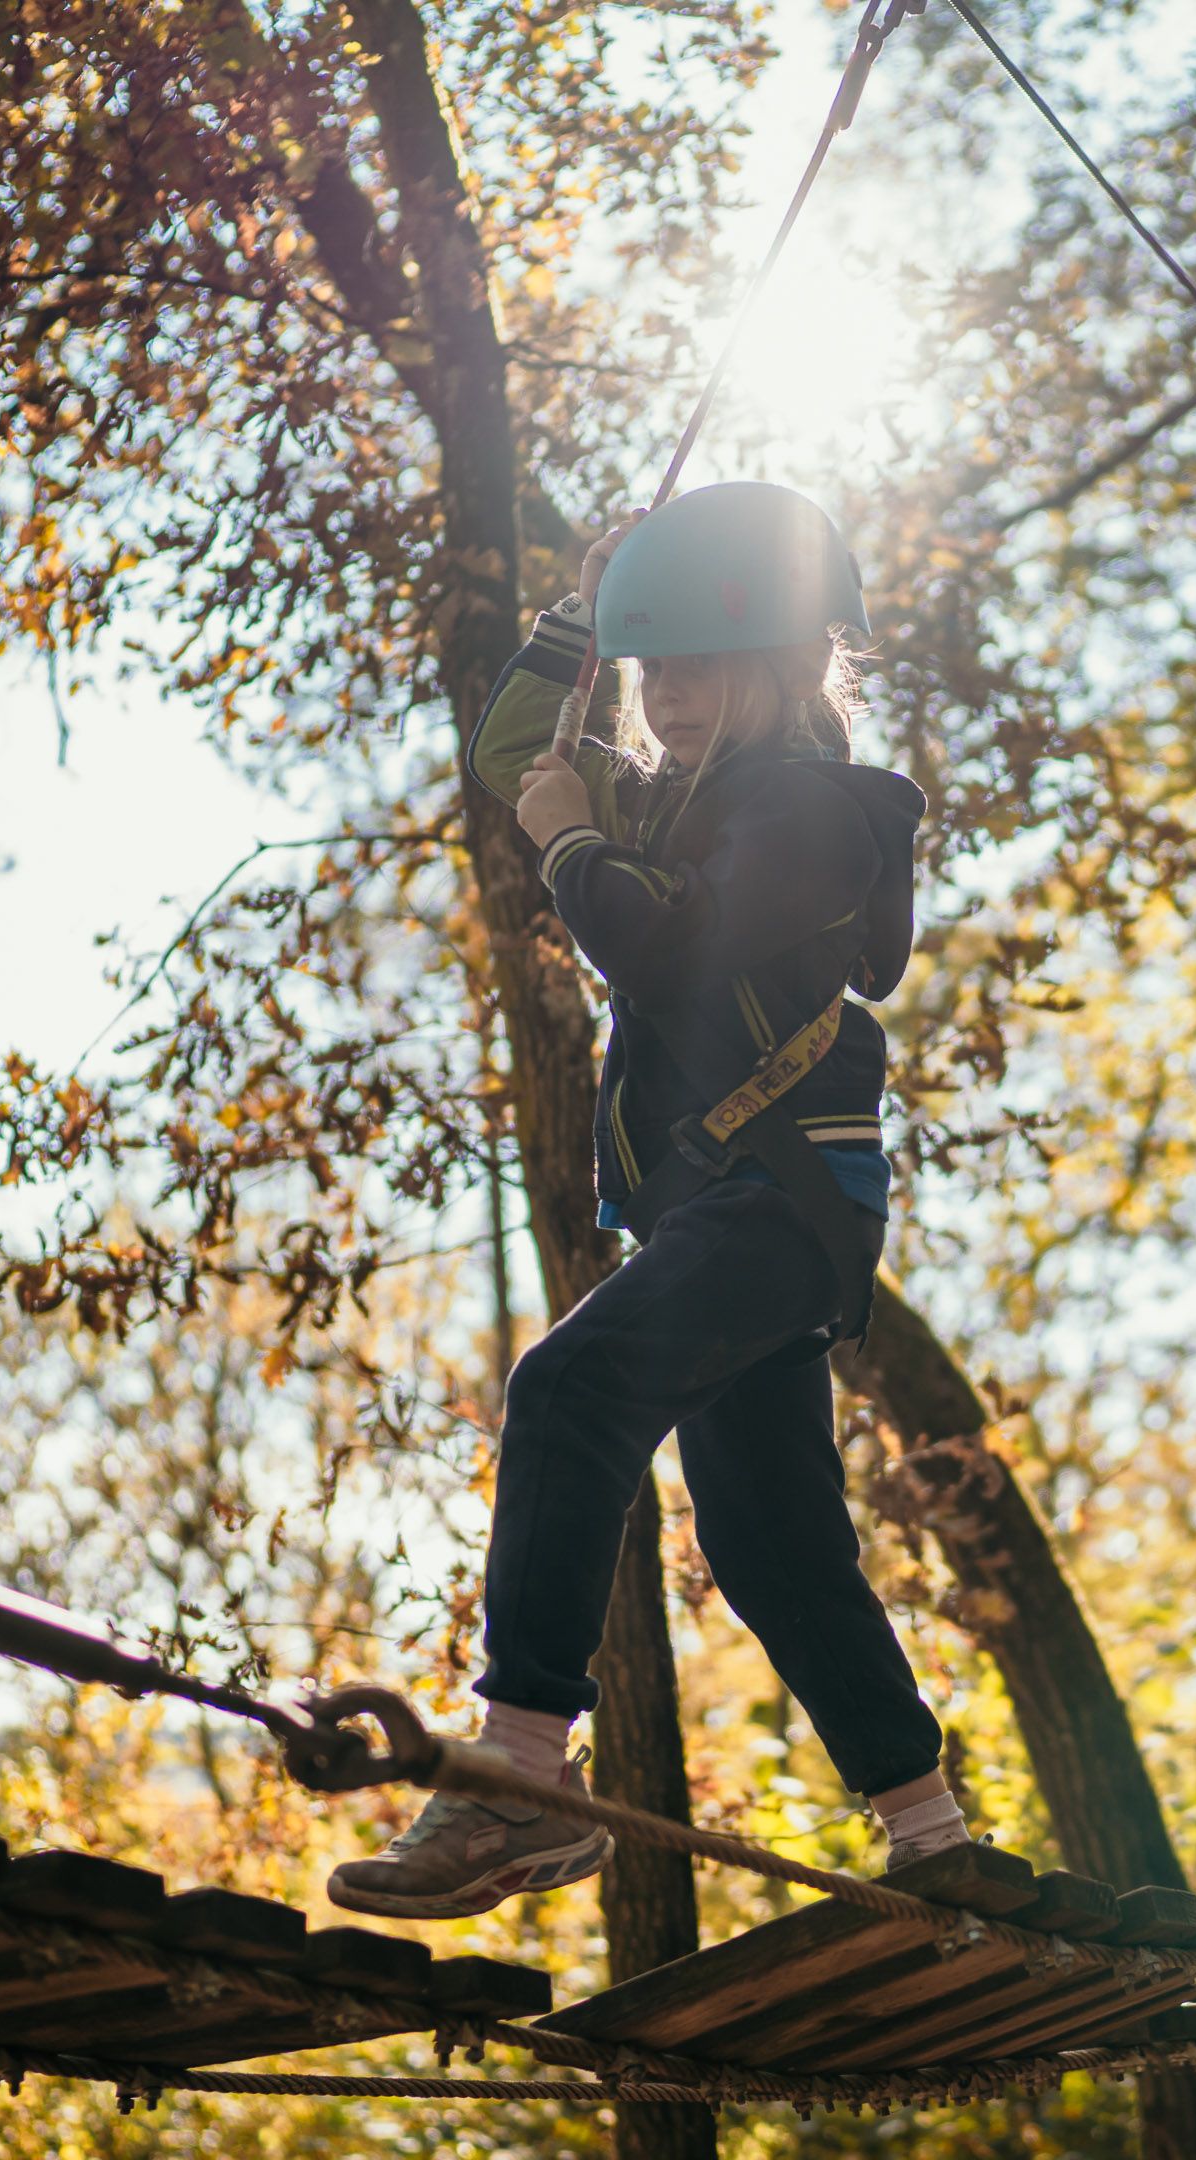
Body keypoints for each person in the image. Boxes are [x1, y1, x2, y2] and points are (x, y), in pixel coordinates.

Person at [329, 482, 967, 1918]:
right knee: (768, 1538)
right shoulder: (677, 805)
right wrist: (584, 606)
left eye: (696, 662)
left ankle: (520, 1774)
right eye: (650, 665)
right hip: (719, 1215)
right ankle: (930, 1829)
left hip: (777, 1203)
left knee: (568, 1390)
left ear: (784, 664)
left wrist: (570, 845)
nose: (664, 692)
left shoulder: (813, 811)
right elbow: (516, 755)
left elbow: (668, 950)